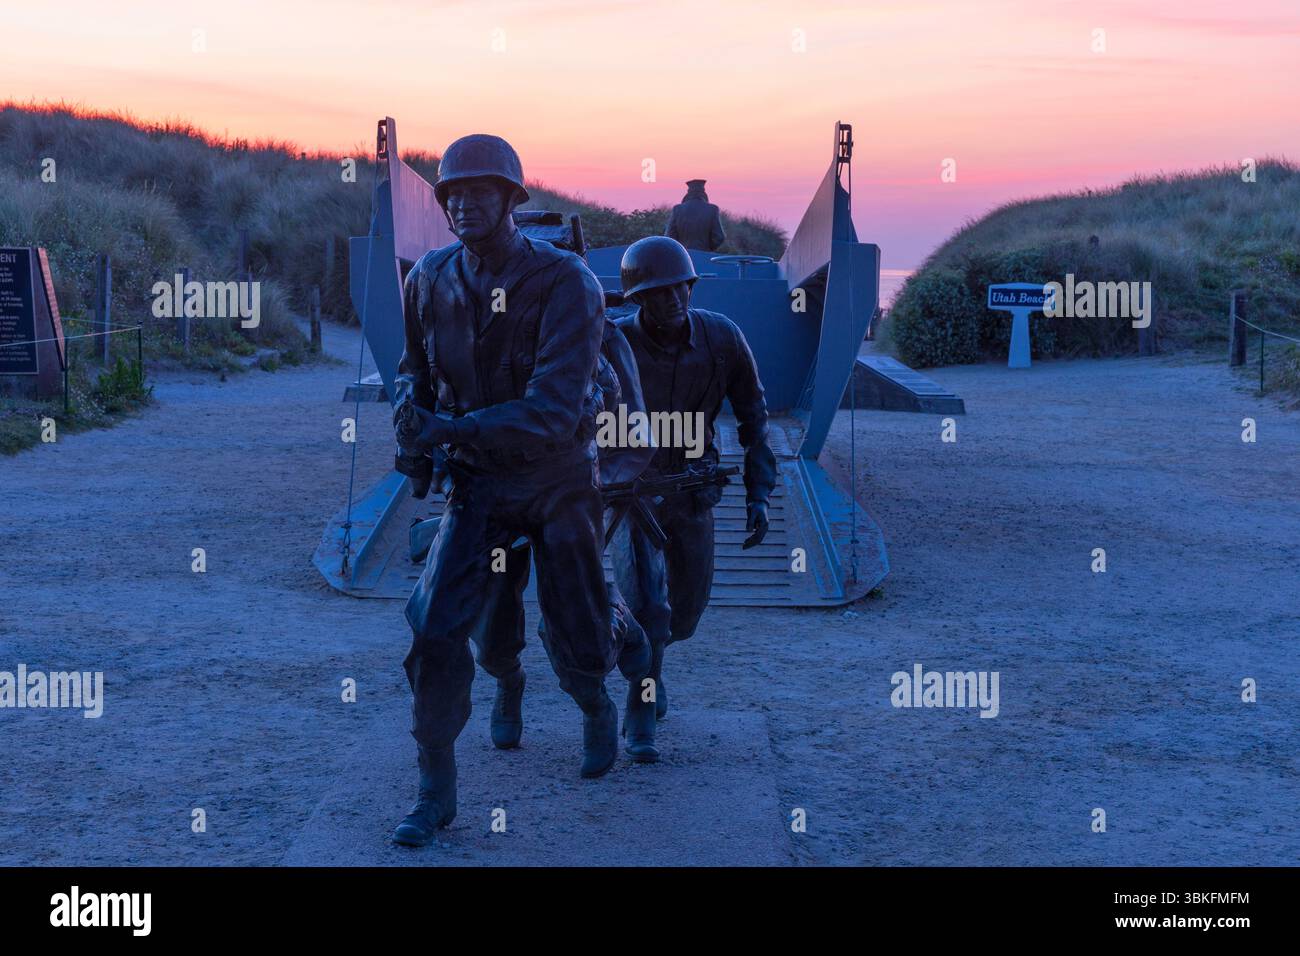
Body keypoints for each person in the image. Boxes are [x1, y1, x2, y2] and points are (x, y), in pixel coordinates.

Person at [388, 133, 634, 847]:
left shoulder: (566, 283)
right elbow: (416, 372)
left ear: (512, 200)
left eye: (480, 192)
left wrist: (445, 428)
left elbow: (557, 409)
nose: (464, 204)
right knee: (437, 627)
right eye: (452, 194)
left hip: (558, 479)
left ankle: (595, 700)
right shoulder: (427, 279)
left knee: (582, 632)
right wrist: (414, 426)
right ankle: (436, 791)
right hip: (479, 484)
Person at [611, 236, 777, 720]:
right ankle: (642, 691)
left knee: (683, 614)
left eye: (681, 287)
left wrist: (758, 494)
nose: (674, 298)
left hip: (692, 493)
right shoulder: (614, 342)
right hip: (633, 495)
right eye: (660, 291)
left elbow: (754, 419)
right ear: (638, 297)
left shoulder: (721, 338)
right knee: (649, 607)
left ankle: (643, 651)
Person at [665, 179, 726, 252]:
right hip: (704, 256)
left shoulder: (677, 209)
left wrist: (679, 250)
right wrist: (708, 249)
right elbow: (719, 237)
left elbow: (669, 236)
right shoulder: (712, 209)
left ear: (688, 193)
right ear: (703, 192)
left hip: (683, 256)